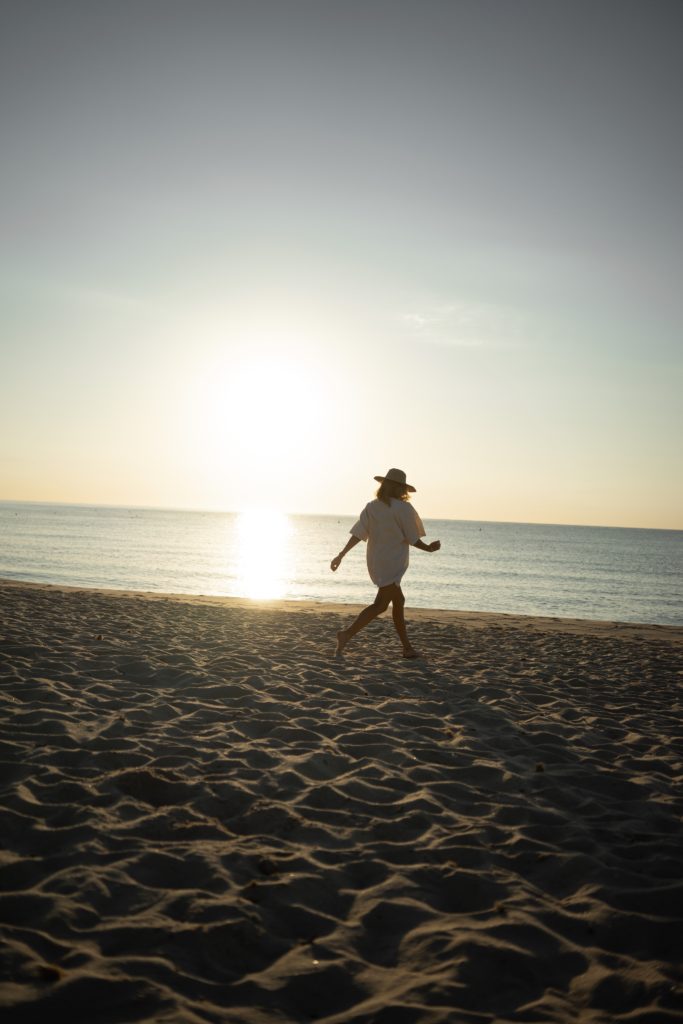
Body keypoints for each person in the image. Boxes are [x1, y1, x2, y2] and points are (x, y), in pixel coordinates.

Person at [330, 468, 441, 658]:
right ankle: (346, 634)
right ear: (401, 488)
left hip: (376, 561)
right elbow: (413, 539)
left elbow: (358, 534)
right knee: (380, 605)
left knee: (398, 601)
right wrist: (429, 548)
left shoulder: (372, 506)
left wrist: (341, 554)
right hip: (392, 562)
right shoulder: (404, 509)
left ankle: (407, 648)